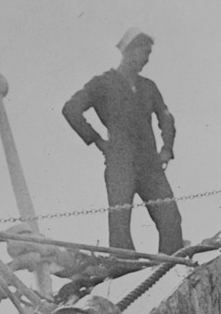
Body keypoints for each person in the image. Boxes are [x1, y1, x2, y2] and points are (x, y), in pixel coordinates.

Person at [62, 28, 184, 257]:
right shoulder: (102, 83)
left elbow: (166, 117)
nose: (147, 59)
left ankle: (170, 267)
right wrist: (96, 139)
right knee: (120, 225)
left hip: (150, 165)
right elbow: (71, 109)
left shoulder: (149, 86)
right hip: (120, 163)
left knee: (170, 219)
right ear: (129, 51)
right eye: (144, 52)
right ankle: (125, 272)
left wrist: (167, 148)